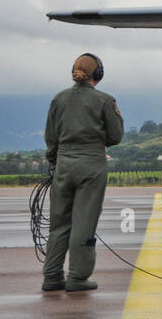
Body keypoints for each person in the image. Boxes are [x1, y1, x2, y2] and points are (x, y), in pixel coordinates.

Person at [42, 54, 124, 293]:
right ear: (98, 75)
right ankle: (78, 277)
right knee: (84, 223)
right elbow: (115, 136)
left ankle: (52, 275)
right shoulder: (105, 100)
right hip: (91, 165)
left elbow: (50, 136)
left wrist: (54, 161)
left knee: (58, 224)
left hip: (63, 165)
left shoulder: (59, 99)